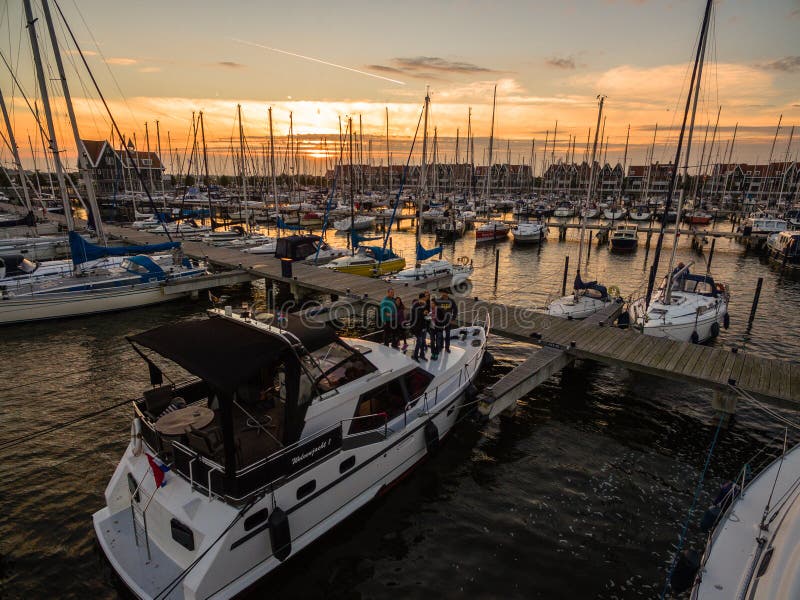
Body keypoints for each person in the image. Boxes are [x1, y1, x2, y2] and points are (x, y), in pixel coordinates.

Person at [432, 290, 458, 358]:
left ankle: (447, 347)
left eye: (445, 293)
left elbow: (455, 310)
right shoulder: (438, 300)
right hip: (440, 320)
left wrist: (453, 318)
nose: (443, 294)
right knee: (440, 334)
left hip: (448, 320)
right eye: (443, 292)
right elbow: (432, 305)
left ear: (447, 293)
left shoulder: (451, 301)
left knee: (448, 334)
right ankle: (440, 347)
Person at [410, 293, 429, 361]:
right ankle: (415, 356)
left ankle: (422, 355)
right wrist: (423, 313)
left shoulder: (423, 305)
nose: (425, 299)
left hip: (423, 326)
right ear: (421, 298)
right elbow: (416, 316)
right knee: (419, 341)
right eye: (424, 298)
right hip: (417, 327)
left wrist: (426, 313)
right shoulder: (415, 305)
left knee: (423, 341)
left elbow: (424, 314)